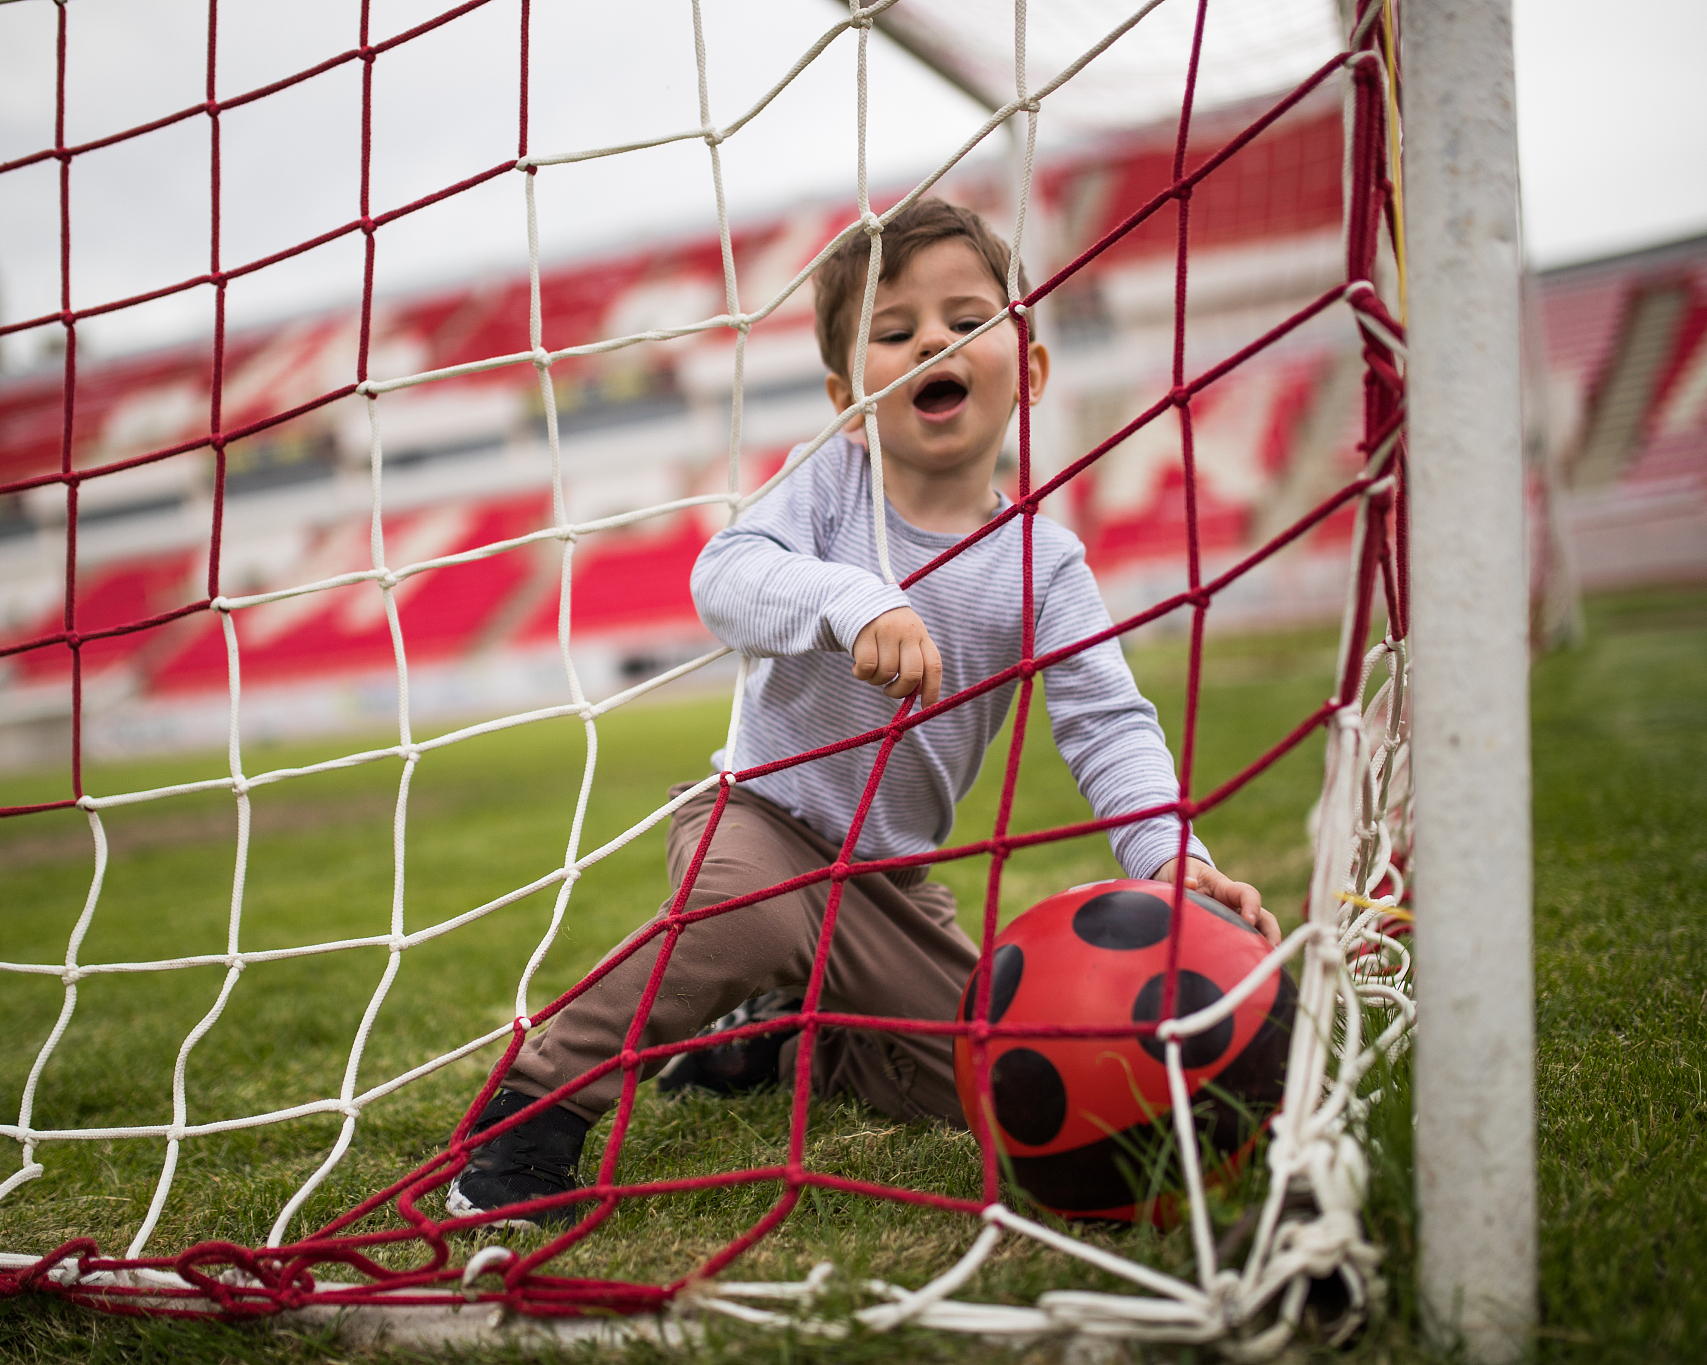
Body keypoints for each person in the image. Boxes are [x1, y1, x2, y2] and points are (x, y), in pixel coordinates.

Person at [445, 198, 1277, 1229]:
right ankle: (528, 1114)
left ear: (1032, 367)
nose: (933, 339)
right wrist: (854, 599)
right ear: (848, 396)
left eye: (966, 319)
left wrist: (1168, 859)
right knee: (740, 922)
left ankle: (781, 1040)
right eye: (895, 332)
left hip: (886, 883)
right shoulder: (828, 485)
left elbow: (1104, 722)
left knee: (990, 1084)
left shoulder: (1044, 564)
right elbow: (725, 575)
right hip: (757, 818)